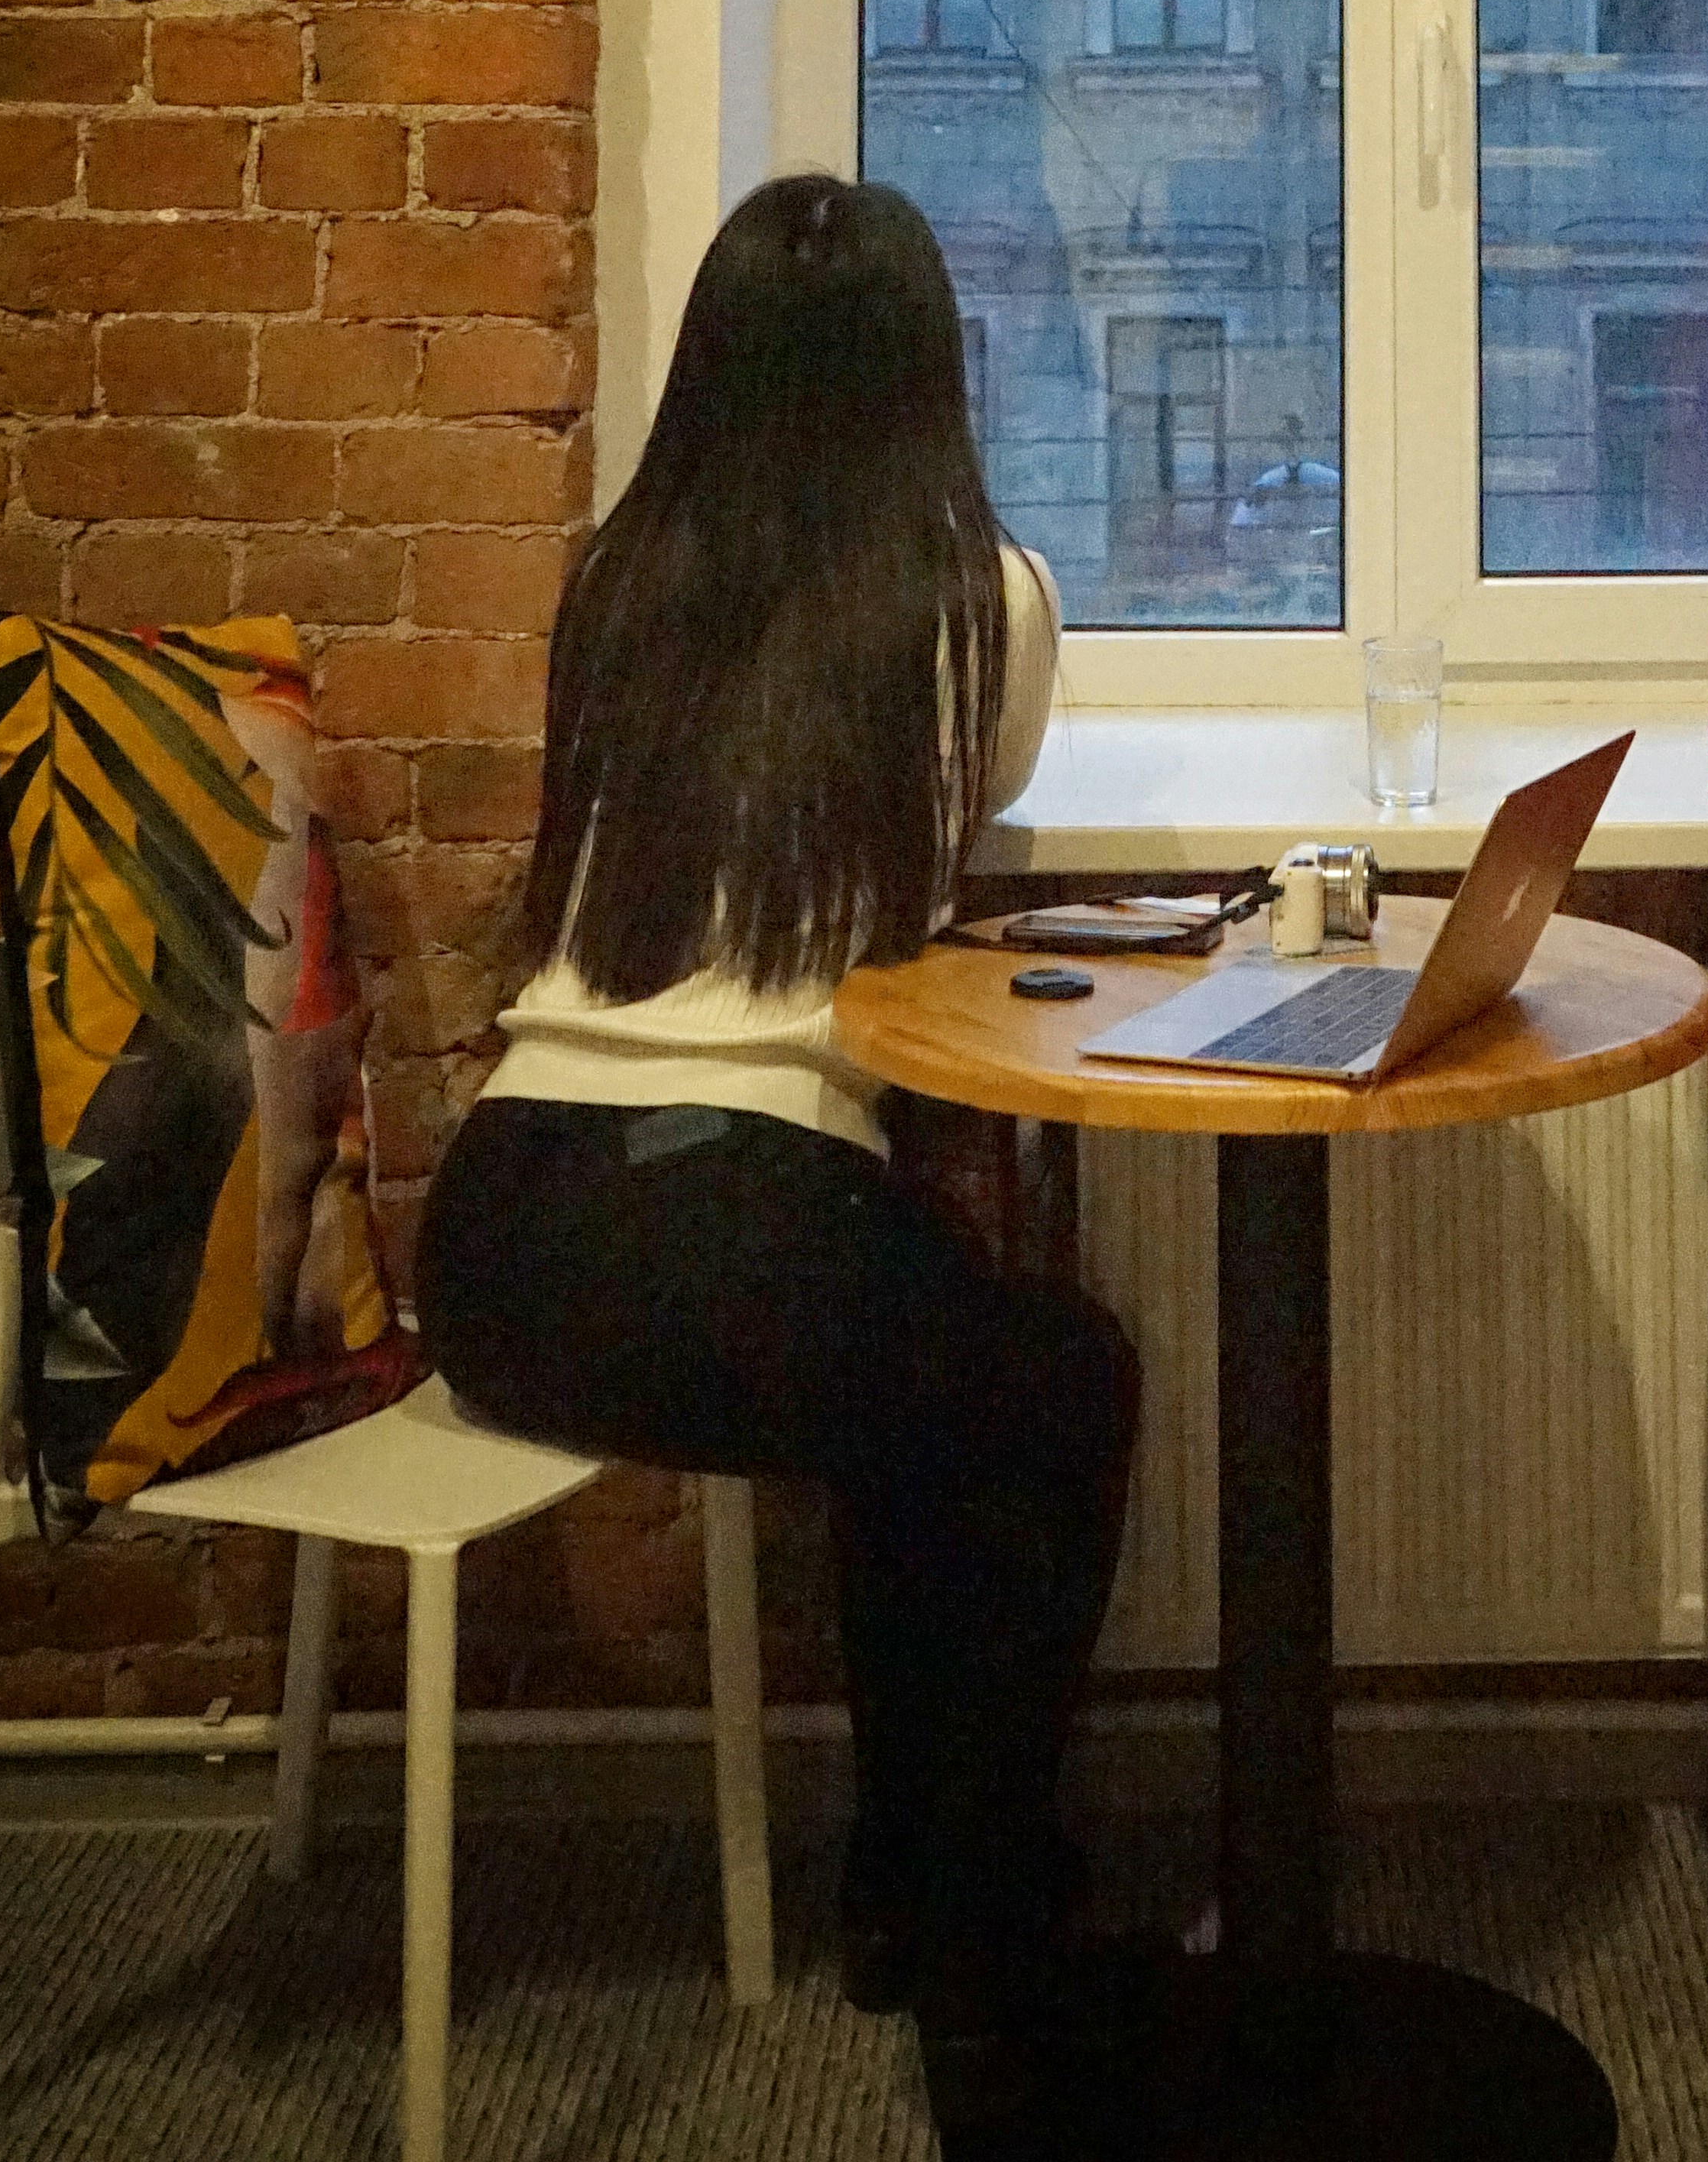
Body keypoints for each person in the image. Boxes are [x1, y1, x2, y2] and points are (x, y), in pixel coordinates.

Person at [417, 173, 1146, 2162]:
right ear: (929, 374)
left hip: (499, 1231)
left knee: (945, 1392)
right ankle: (965, 1925)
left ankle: (922, 1890)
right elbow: (984, 791)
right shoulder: (972, 596)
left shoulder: (617, 582)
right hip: (736, 1235)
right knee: (1055, 1390)